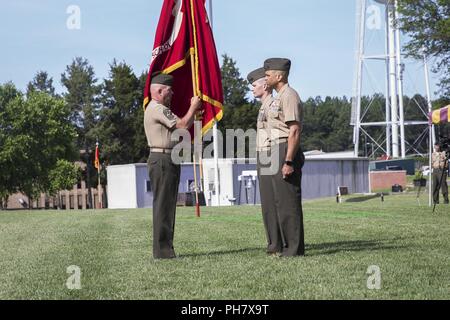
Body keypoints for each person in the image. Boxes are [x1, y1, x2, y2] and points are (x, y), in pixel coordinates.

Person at [144, 73, 202, 259]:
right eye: (169, 90)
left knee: (167, 205)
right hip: (162, 159)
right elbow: (183, 124)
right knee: (163, 205)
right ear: (160, 91)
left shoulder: (157, 108)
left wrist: (194, 114)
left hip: (166, 158)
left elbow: (181, 128)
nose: (172, 93)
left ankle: (165, 249)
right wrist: (192, 107)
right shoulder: (158, 109)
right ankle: (162, 251)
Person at [264, 58, 305, 257]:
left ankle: (294, 248)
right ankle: (288, 246)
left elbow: (294, 130)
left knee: (288, 201)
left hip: (284, 148)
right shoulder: (278, 97)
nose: (266, 77)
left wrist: (288, 160)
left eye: (268, 74)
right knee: (281, 202)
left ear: (279, 76)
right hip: (275, 147)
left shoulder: (289, 95)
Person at [247, 67, 281, 254]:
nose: (252, 89)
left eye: (254, 85)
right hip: (263, 154)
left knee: (273, 201)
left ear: (265, 85)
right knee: (267, 202)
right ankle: (273, 241)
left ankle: (276, 243)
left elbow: (276, 133)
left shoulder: (273, 105)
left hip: (270, 154)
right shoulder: (264, 106)